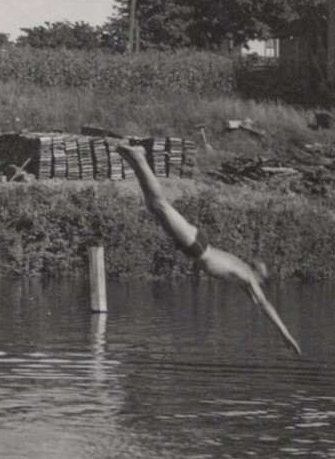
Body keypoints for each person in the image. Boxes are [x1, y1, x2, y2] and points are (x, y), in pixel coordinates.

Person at [116, 143, 302, 356]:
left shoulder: (248, 278)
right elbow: (263, 303)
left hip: (197, 246)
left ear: (262, 277)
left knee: (155, 206)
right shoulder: (247, 274)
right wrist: (285, 335)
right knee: (160, 205)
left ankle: (135, 161)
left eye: (262, 267)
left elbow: (264, 304)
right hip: (198, 247)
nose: (258, 262)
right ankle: (138, 157)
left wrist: (284, 334)